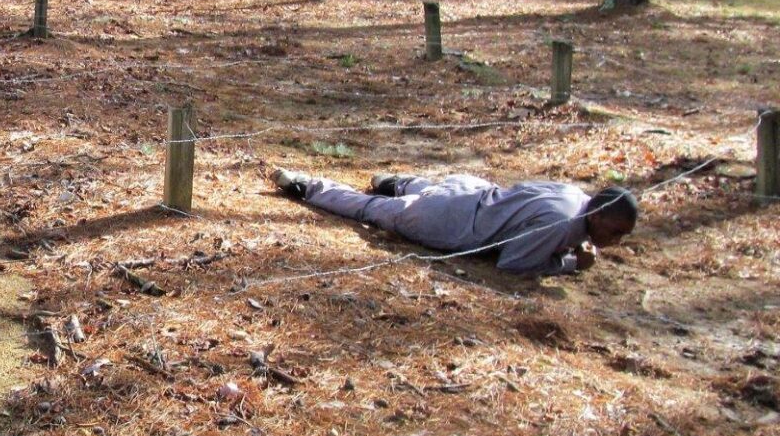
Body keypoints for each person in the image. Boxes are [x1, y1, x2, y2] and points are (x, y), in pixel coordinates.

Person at [271, 169, 638, 276]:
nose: (617, 241)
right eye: (616, 232)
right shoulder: (561, 225)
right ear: (599, 215)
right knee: (372, 211)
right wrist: (571, 263)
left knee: (427, 192)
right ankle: (306, 187)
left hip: (469, 189)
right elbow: (513, 261)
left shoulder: (574, 194)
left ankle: (395, 182)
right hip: (448, 220)